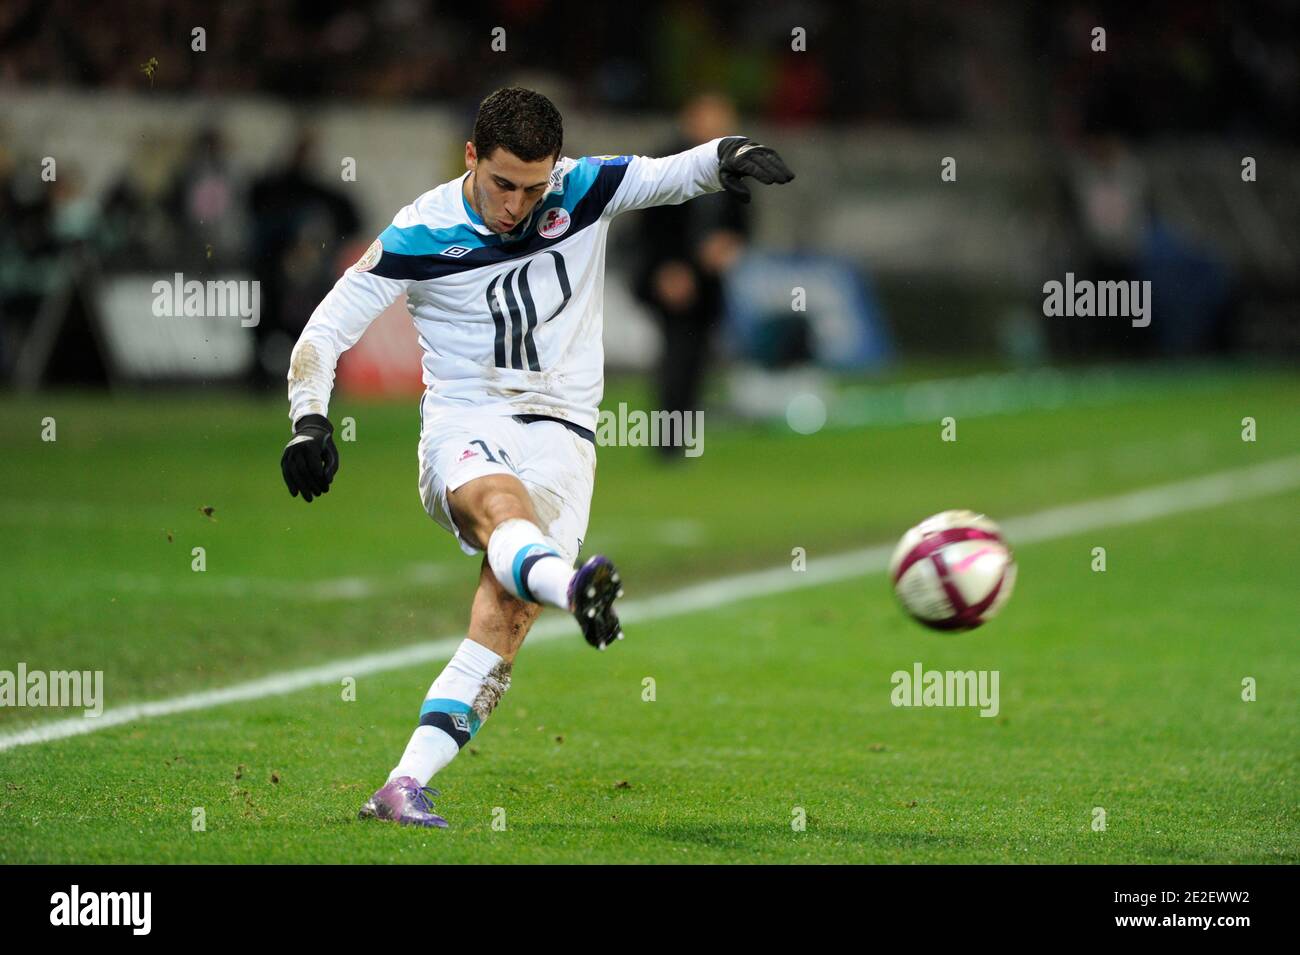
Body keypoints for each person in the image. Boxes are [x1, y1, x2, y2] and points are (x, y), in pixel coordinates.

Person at [279, 87, 793, 828]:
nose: (517, 205)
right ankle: (575, 584)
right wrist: (310, 421)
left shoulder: (579, 191)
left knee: (504, 617)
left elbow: (672, 171)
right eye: (502, 184)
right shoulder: (419, 232)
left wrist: (731, 154)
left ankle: (401, 785)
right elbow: (324, 332)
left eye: (532, 187)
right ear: (471, 158)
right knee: (502, 511)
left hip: (566, 436)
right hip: (467, 420)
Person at [634, 93, 752, 458]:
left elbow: (743, 218)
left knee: (698, 356)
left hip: (709, 279)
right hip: (669, 274)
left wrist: (730, 243)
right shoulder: (667, 160)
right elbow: (649, 220)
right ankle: (668, 444)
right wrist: (666, 268)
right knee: (677, 354)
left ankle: (682, 436)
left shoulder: (733, 164)